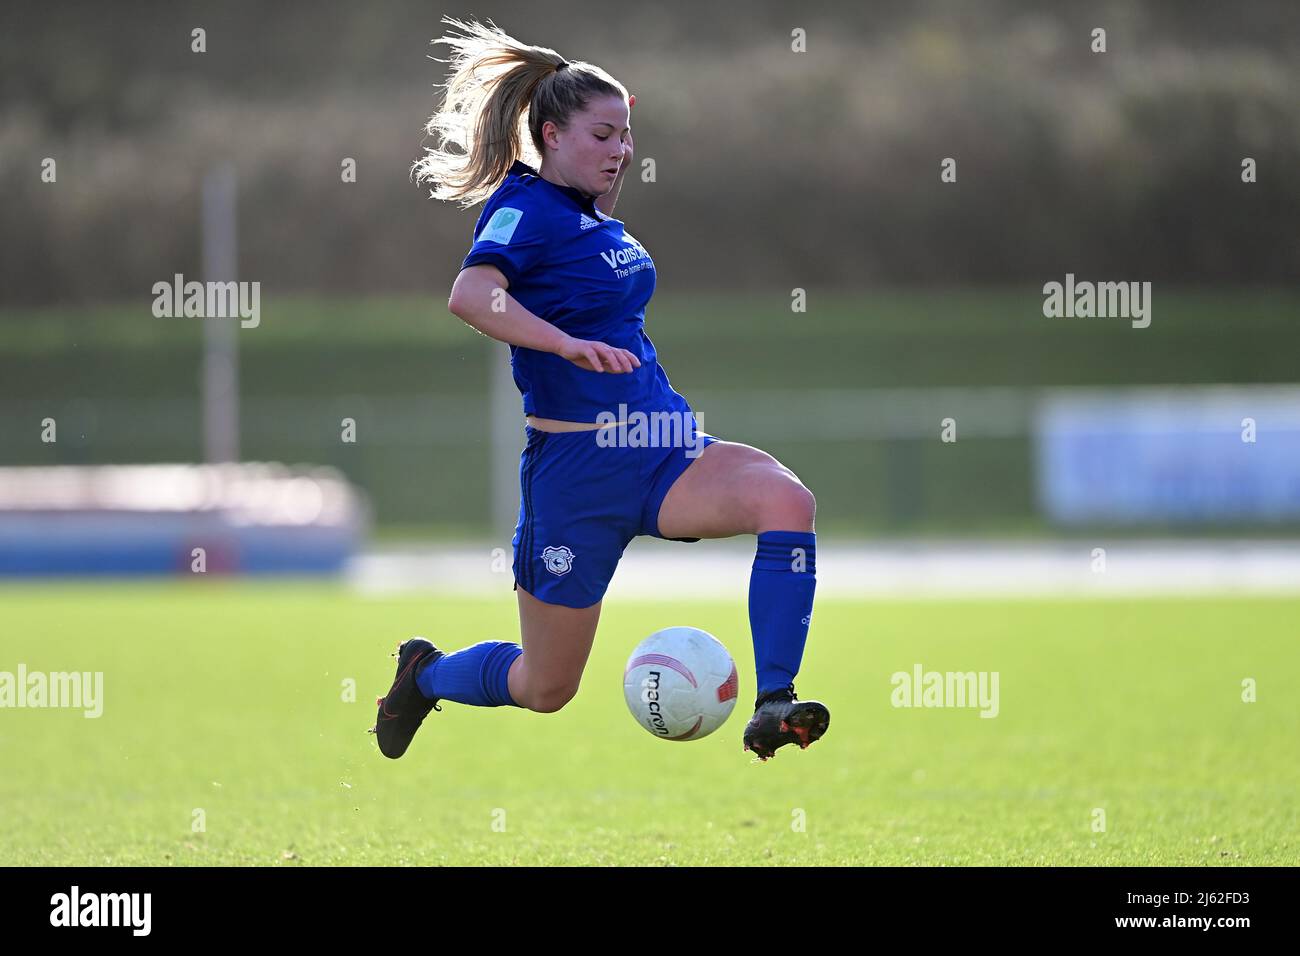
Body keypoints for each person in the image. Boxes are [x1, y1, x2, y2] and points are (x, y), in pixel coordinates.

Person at [372, 17, 828, 762]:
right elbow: (470, 294)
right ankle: (426, 678)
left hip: (659, 447)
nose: (621, 150)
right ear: (551, 135)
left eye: (626, 135)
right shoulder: (526, 210)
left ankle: (775, 701)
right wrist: (562, 343)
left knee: (787, 501)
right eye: (603, 134)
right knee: (545, 687)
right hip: (576, 477)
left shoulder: (591, 218)